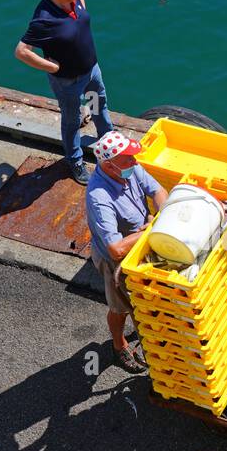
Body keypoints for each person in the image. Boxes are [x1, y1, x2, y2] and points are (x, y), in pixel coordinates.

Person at [15, 0, 116, 184]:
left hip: (91, 72)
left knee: (98, 106)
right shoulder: (44, 19)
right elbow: (22, 51)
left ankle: (110, 144)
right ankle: (75, 161)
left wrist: (81, 11)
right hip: (69, 82)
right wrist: (51, 67)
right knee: (72, 120)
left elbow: (82, 8)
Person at [85, 131, 168, 373]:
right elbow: (116, 248)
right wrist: (151, 230)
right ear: (109, 165)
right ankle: (119, 345)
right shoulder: (99, 198)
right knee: (120, 307)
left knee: (143, 298)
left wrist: (159, 215)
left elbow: (158, 191)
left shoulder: (130, 167)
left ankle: (145, 326)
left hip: (141, 242)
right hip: (115, 261)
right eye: (128, 160)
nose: (134, 162)